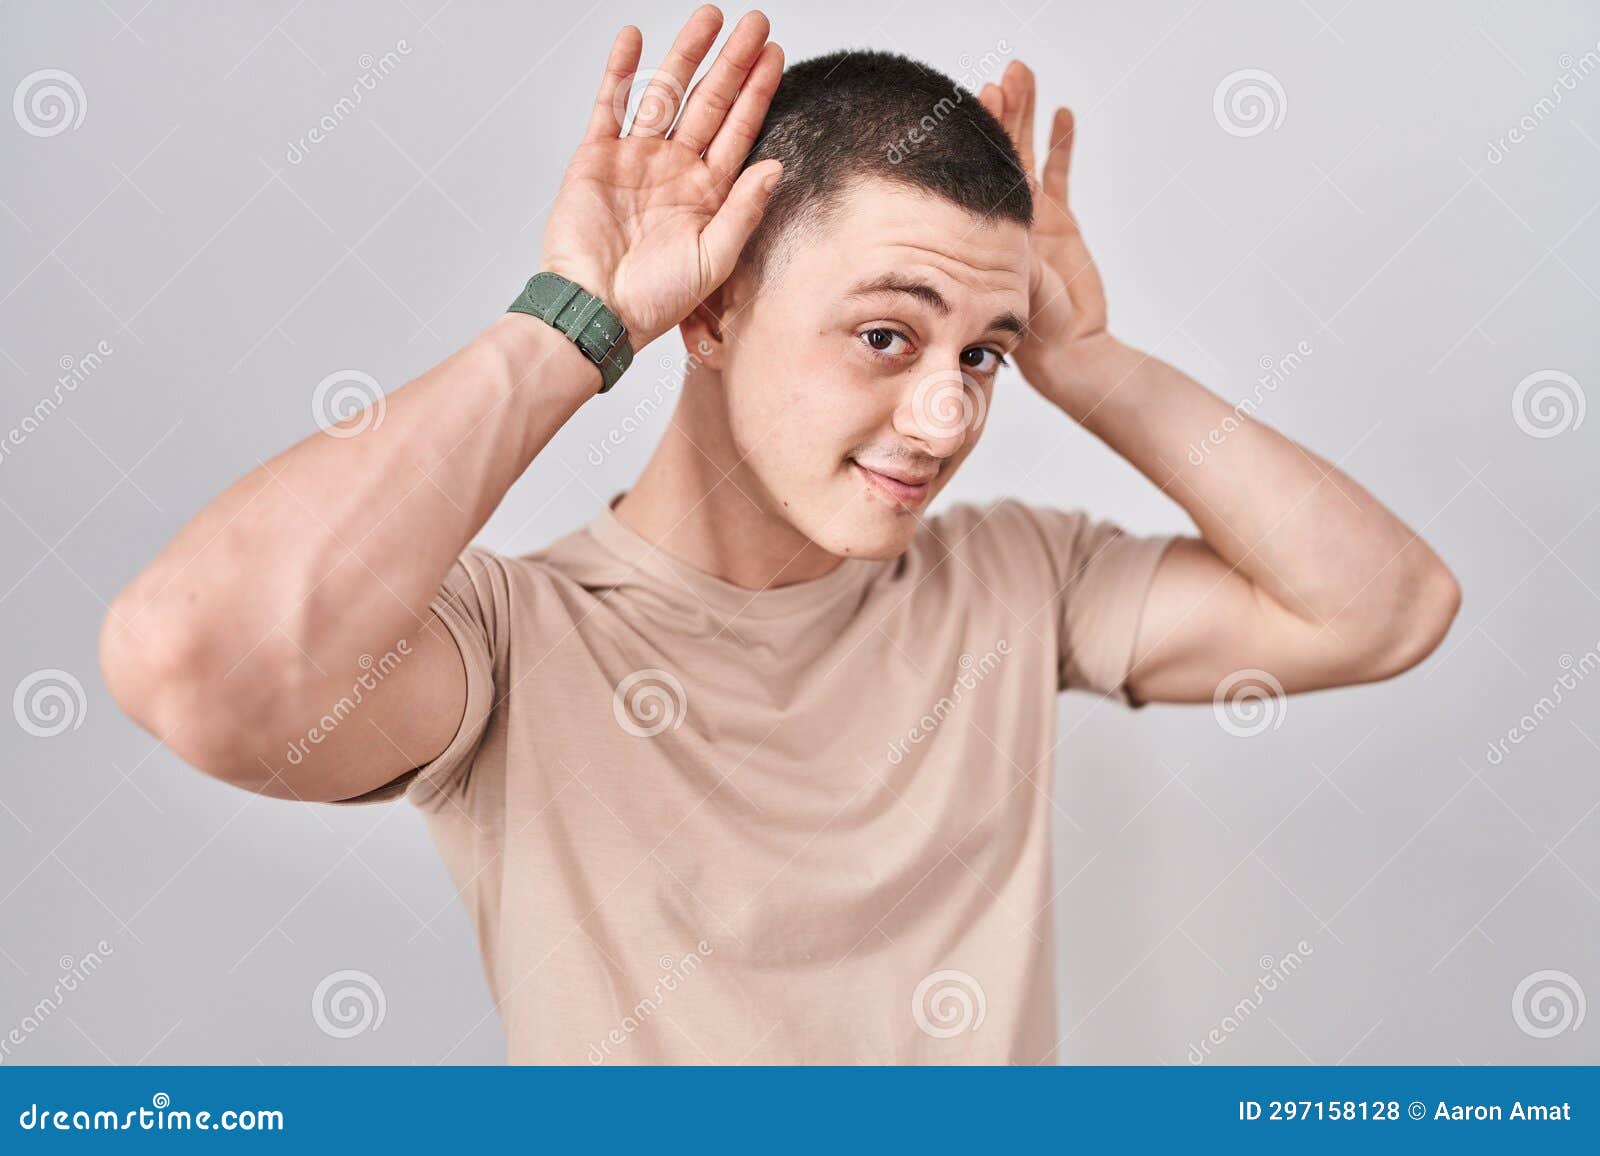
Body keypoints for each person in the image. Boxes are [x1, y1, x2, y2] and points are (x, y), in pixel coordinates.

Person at [98, 6, 1461, 1063]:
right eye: (886, 335)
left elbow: (1384, 608)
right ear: (711, 312)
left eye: (984, 352)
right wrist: (573, 322)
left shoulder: (1015, 581)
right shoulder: (513, 647)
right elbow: (196, 665)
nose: (946, 415)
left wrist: (1091, 364)